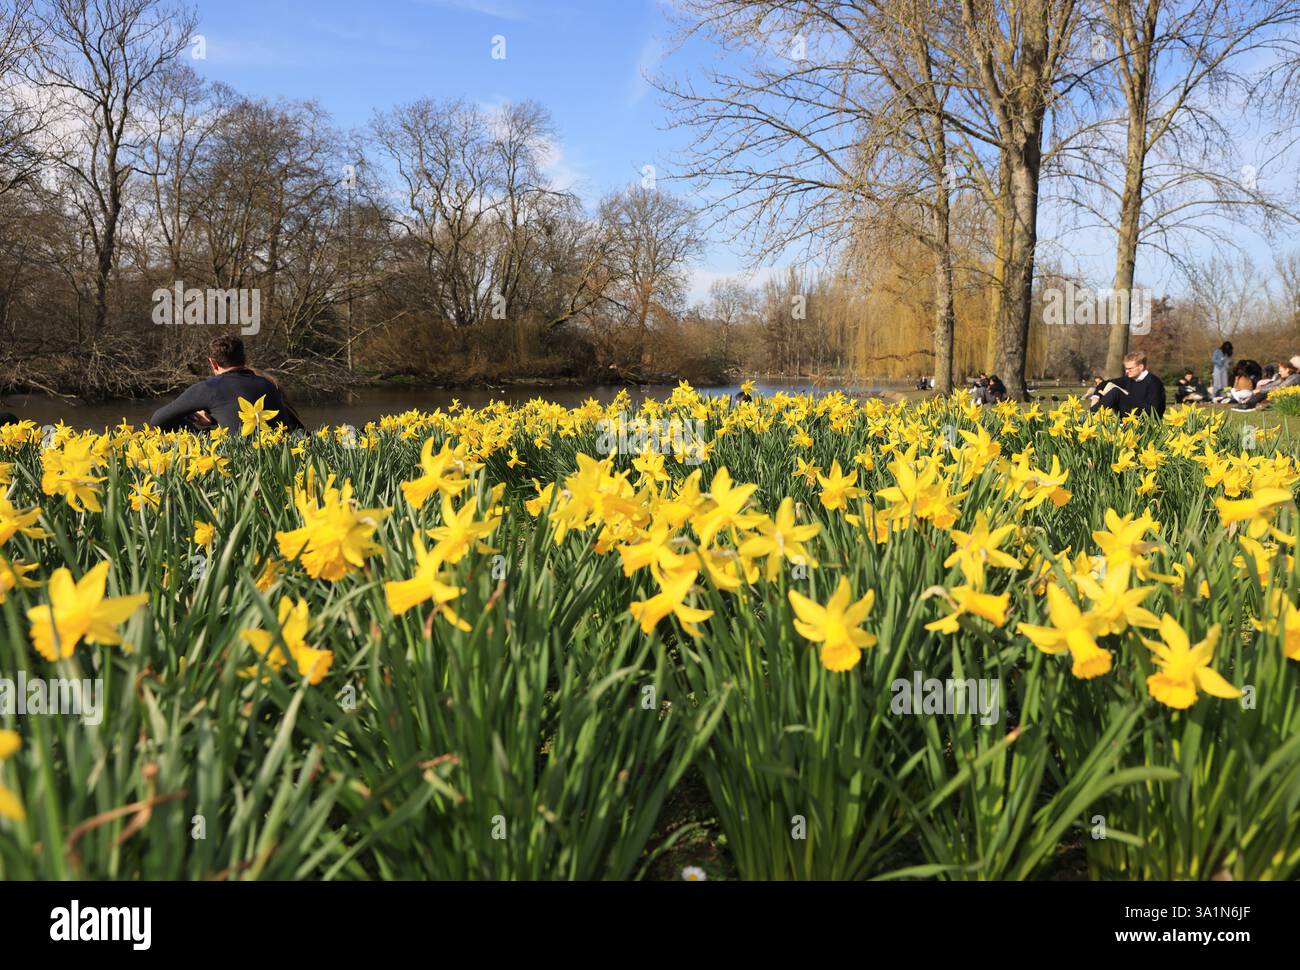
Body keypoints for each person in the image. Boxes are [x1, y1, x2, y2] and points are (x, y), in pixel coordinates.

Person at [150, 335, 304, 433]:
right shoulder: (269, 385)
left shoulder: (210, 387)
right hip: (274, 452)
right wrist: (214, 417)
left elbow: (158, 420)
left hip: (238, 458)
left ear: (213, 363)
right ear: (244, 359)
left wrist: (199, 431)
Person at [1089, 351, 1166, 417]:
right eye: (1126, 368)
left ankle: (1089, 417)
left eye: (1130, 368)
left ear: (1141, 367)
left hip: (1147, 417)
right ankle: (1092, 415)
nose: (1127, 371)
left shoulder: (1154, 383)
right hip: (1130, 414)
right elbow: (1104, 383)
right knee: (1112, 389)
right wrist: (1096, 396)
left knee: (1116, 392)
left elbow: (1156, 410)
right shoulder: (1129, 379)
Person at [1234, 356, 1300, 411]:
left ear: (1287, 369)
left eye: (1281, 371)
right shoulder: (1286, 377)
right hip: (1283, 397)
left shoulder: (1295, 377)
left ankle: (1249, 404)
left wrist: (1260, 390)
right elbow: (1273, 384)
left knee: (1266, 391)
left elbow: (1280, 387)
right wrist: (1260, 389)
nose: (1279, 373)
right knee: (1266, 388)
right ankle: (1248, 403)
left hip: (1289, 399)